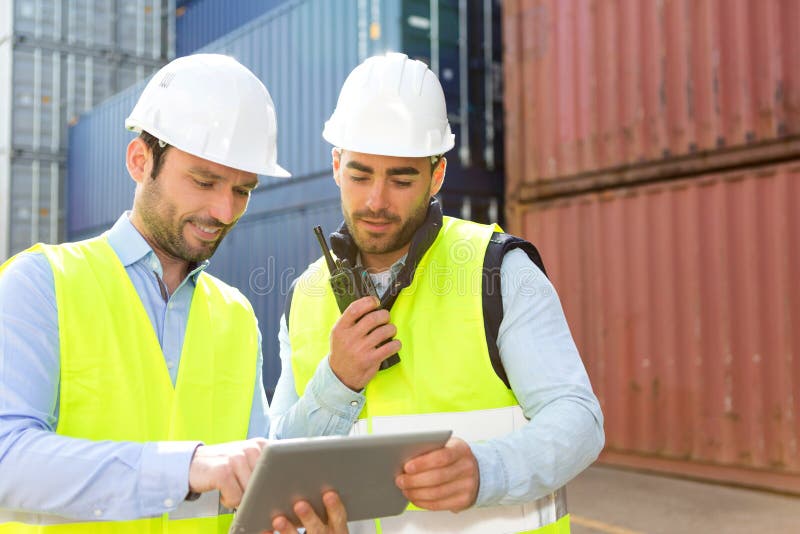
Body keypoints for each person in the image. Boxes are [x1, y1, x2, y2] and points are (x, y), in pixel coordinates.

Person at [0, 53, 347, 534]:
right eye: (203, 181)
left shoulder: (236, 316)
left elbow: (245, 492)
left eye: (243, 190)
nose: (224, 210)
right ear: (140, 161)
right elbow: (7, 457)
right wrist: (187, 468)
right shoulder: (41, 284)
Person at [269, 52, 605, 534]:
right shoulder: (304, 296)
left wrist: (487, 471)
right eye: (361, 175)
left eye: (401, 178)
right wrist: (337, 383)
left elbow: (579, 421)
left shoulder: (499, 271)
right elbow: (278, 457)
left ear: (436, 175)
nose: (376, 201)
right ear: (337, 166)